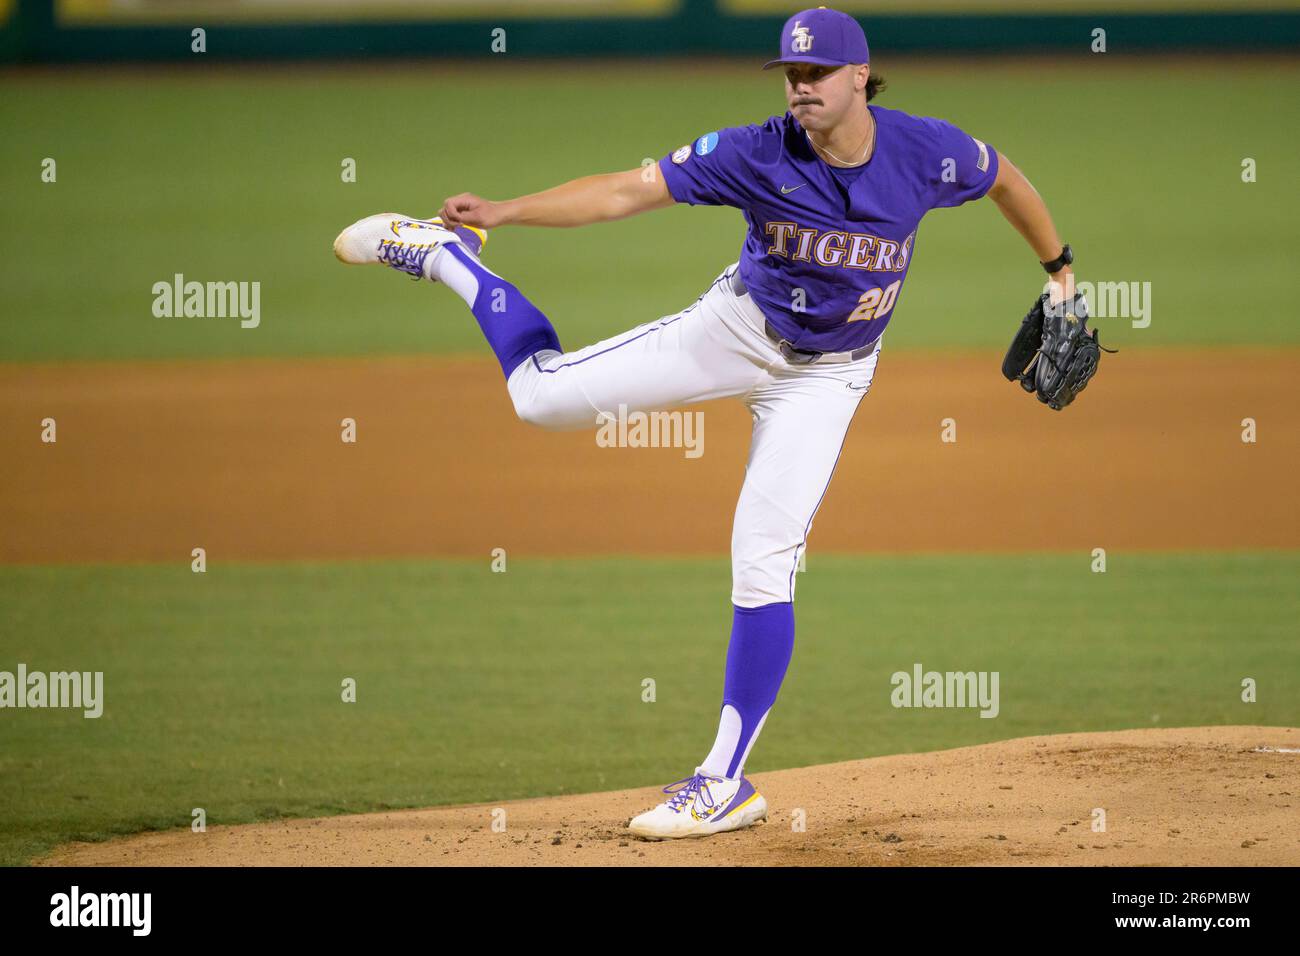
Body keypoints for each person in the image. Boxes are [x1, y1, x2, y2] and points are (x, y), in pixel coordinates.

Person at [334, 6, 1077, 840]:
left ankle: (722, 780)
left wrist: (1061, 275)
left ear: (860, 77)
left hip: (827, 380)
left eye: (816, 74)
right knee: (537, 399)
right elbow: (628, 189)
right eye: (790, 74)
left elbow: (1006, 178)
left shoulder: (925, 151)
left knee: (765, 559)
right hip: (732, 333)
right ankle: (450, 262)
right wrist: (502, 212)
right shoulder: (754, 151)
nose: (799, 87)